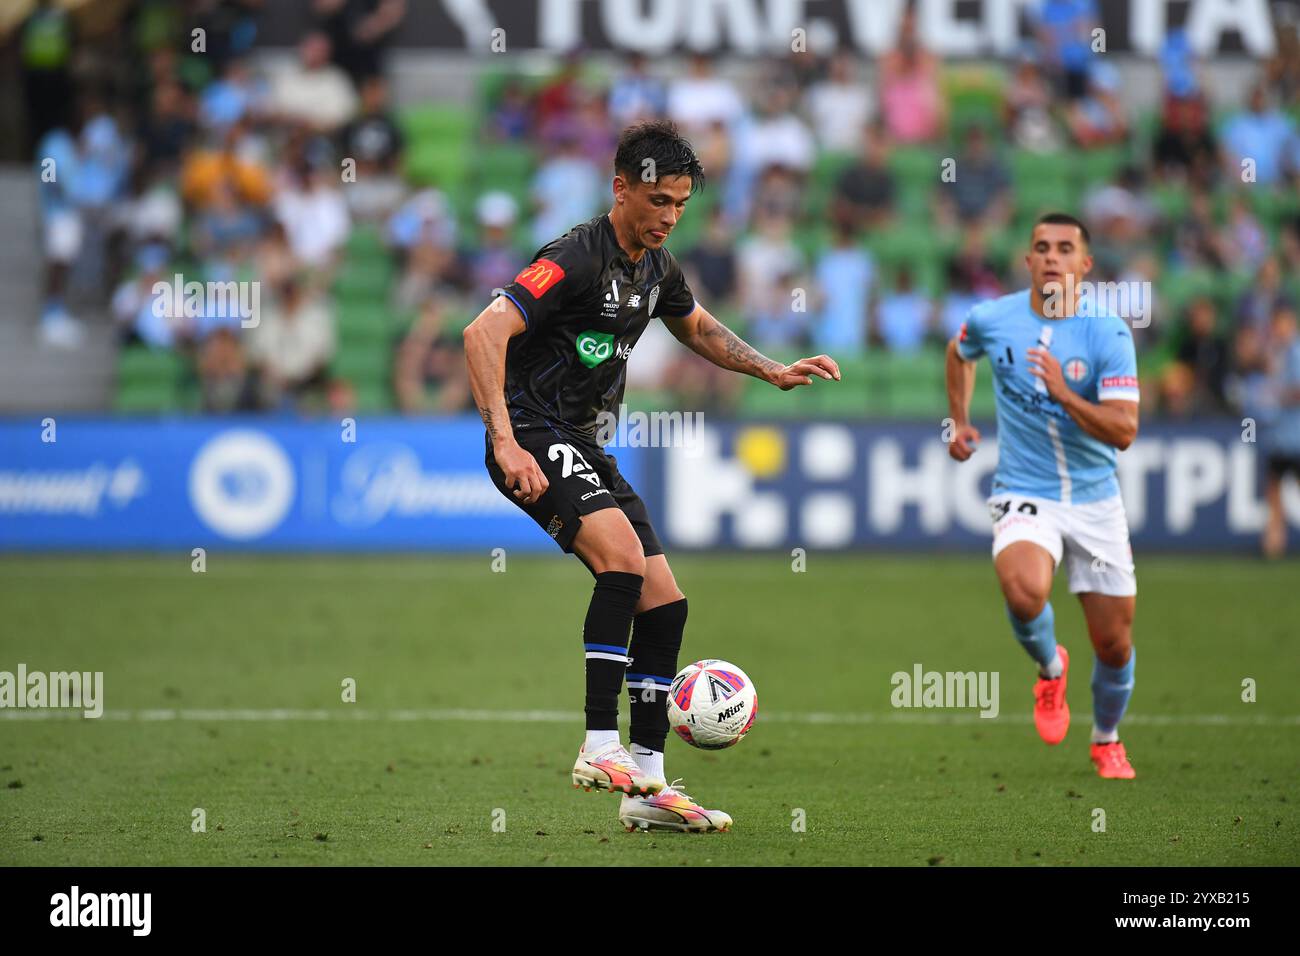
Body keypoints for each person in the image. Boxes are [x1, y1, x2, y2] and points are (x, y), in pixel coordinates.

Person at [462, 121, 839, 832]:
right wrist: (506, 443)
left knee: (665, 603)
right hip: (533, 431)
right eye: (658, 199)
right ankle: (598, 744)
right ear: (621, 189)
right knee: (623, 563)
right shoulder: (574, 256)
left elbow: (696, 328)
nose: (668, 215)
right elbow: (482, 332)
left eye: (681, 204)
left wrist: (773, 370)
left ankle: (647, 787)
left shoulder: (656, 268)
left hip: (587, 443)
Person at [945, 212, 1141, 780]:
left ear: (1085, 264)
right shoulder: (993, 318)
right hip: (1023, 490)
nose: (1052, 257)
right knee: (1025, 592)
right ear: (1027, 261)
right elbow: (959, 353)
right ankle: (1051, 667)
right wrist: (959, 422)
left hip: (1095, 499)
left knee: (1113, 645)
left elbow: (1123, 431)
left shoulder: (1108, 333)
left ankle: (1106, 738)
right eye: (1041, 247)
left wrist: (1063, 393)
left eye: (1064, 248)